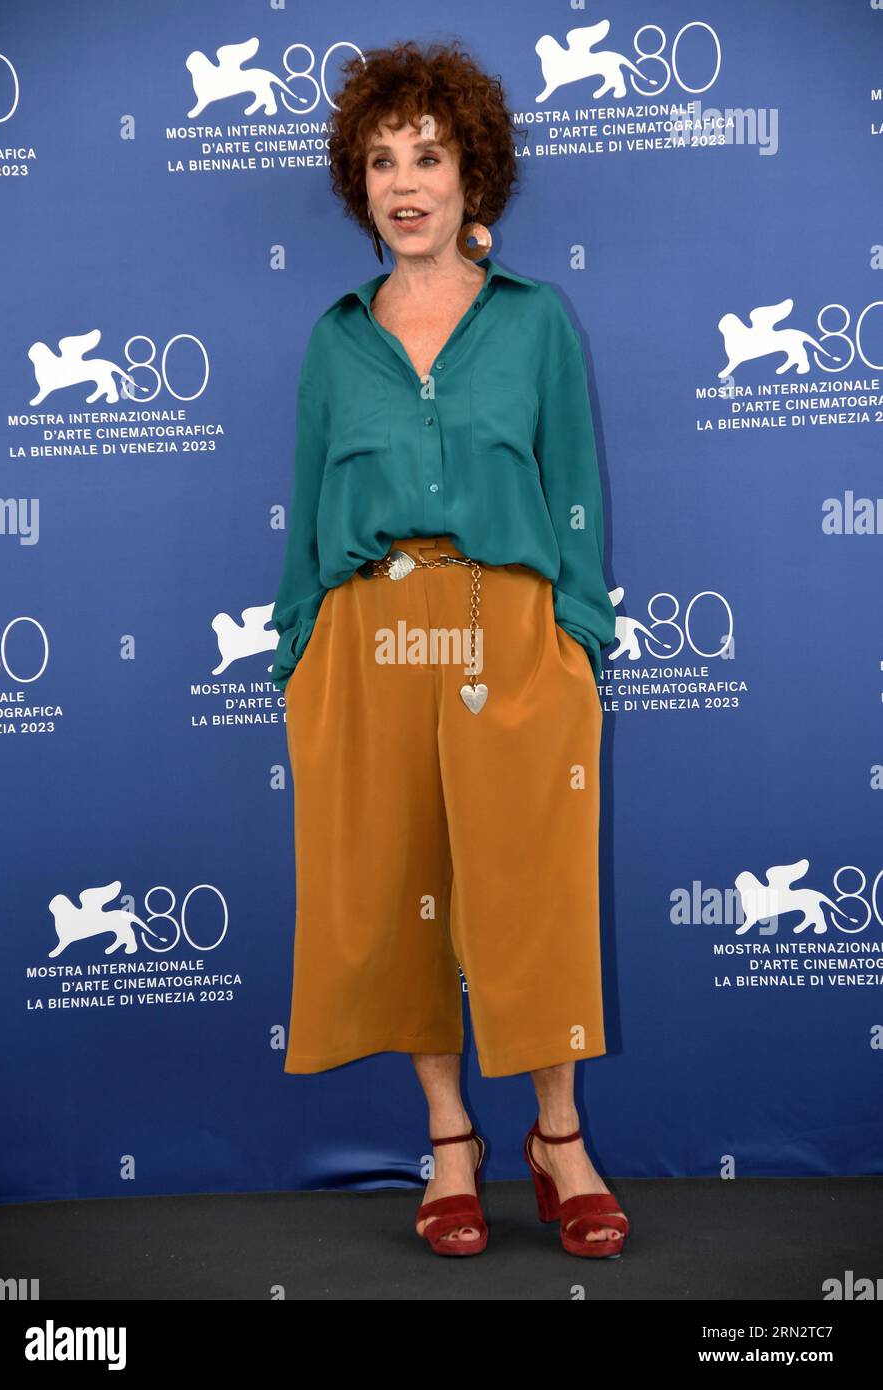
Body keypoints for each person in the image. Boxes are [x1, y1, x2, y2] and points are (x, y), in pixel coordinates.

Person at [270, 39, 627, 1259]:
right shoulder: (334, 341)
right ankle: (449, 1141)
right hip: (371, 639)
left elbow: (573, 493)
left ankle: (559, 1135)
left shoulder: (534, 325)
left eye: (428, 154)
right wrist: (296, 653)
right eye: (380, 159)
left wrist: (573, 636)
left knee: (529, 888)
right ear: (357, 187)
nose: (404, 180)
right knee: (402, 887)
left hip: (510, 631)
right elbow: (307, 501)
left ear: (475, 176)